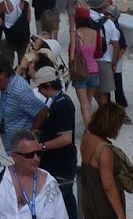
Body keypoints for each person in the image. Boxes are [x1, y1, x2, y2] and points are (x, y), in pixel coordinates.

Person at [0, 127, 70, 219]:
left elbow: (61, 216)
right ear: (14, 157)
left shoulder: (50, 183)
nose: (36, 158)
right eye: (30, 155)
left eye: (38, 153)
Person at [26, 66, 79, 216]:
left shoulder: (63, 105)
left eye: (40, 88)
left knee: (62, 201)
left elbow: (66, 138)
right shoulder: (57, 102)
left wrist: (41, 146)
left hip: (60, 164)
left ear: (48, 86)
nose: (39, 92)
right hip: (57, 162)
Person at [0, 50, 45, 153]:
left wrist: (30, 136)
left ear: (2, 74)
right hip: (14, 150)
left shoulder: (19, 91)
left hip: (24, 153)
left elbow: (42, 111)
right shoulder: (5, 86)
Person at [78, 101, 130, 219]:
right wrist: (121, 215)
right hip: (104, 204)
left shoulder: (87, 137)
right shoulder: (104, 149)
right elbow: (108, 186)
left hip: (89, 199)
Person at [69, 9, 104, 125]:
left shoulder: (76, 33)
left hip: (81, 71)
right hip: (94, 69)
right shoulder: (94, 32)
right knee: (88, 102)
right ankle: (92, 126)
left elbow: (72, 55)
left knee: (84, 104)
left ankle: (89, 130)